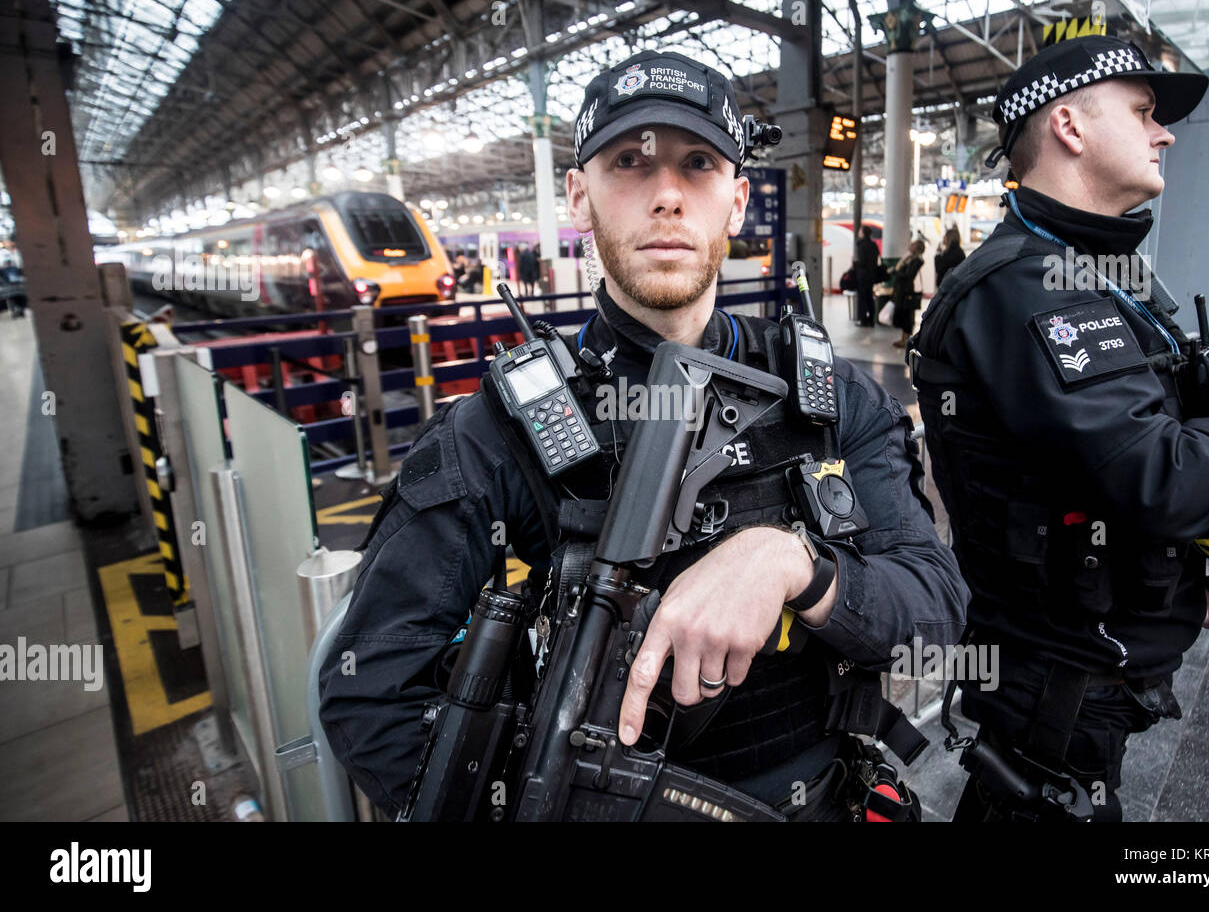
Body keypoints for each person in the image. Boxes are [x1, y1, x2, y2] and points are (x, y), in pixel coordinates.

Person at [320, 50, 968, 822]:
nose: (666, 195)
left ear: (736, 202)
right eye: (630, 162)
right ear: (579, 196)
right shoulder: (499, 431)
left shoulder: (828, 396)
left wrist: (798, 565)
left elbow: (934, 610)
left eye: (697, 163)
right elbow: (368, 693)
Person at [908, 35, 1209, 821]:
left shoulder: (1097, 276)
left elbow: (1125, 457)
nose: (1164, 133)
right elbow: (1160, 473)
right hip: (1056, 699)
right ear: (1070, 128)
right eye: (1145, 112)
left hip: (1092, 683)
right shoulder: (1026, 286)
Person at [887, 239, 925, 348]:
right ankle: (903, 339)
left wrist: (894, 272)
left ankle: (906, 340)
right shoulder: (909, 259)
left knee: (907, 316)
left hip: (907, 291)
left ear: (916, 248)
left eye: (913, 244)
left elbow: (908, 276)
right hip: (902, 290)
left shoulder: (917, 261)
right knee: (903, 315)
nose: (910, 245)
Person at [853, 226, 882, 326]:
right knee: (870, 297)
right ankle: (871, 320)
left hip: (863, 276)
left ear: (863, 233)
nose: (858, 232)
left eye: (860, 231)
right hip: (872, 275)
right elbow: (876, 259)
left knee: (862, 299)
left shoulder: (861, 245)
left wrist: (854, 263)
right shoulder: (873, 245)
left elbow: (862, 262)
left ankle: (863, 320)